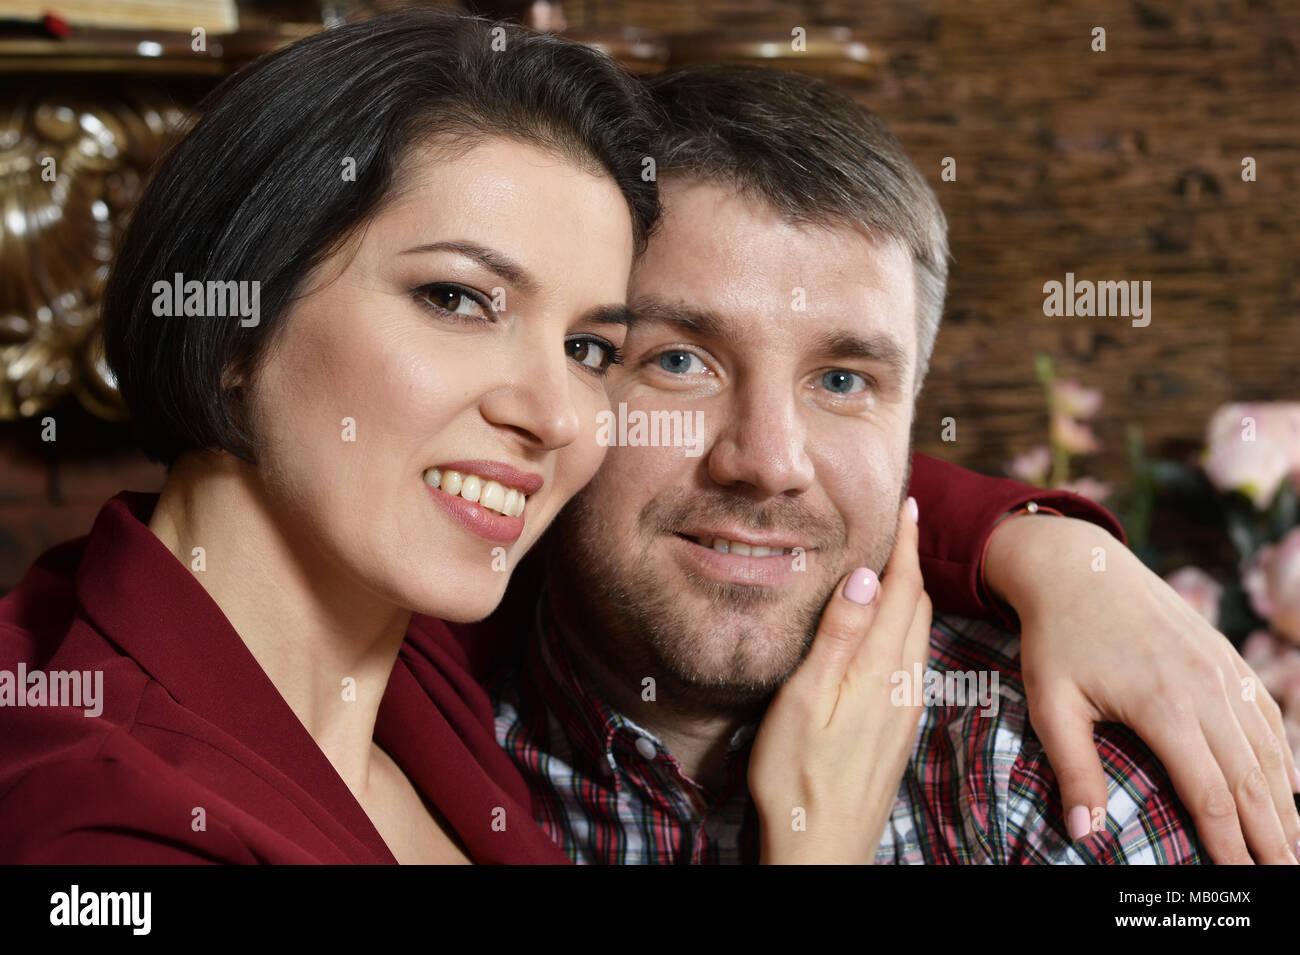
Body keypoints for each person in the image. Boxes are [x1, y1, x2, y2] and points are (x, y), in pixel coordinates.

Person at [474, 64, 1300, 864]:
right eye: (680, 361)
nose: (766, 461)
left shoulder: (1065, 782)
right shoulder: (409, 729)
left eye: (841, 380)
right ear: (572, 371)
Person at [0, 10, 654, 864]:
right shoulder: (103, 825)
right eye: (457, 299)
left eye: (587, 349)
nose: (556, 415)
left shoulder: (410, 665)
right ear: (235, 320)